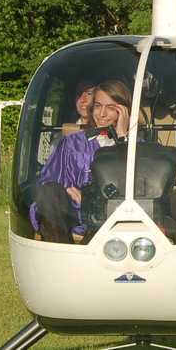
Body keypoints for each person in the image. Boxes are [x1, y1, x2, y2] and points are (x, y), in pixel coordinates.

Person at [31, 79, 131, 243]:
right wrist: (66, 191)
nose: (102, 114)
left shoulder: (137, 147)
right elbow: (48, 182)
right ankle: (62, 249)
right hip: (72, 215)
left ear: (124, 112)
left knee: (110, 212)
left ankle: (78, 255)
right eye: (98, 106)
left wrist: (122, 140)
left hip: (110, 219)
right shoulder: (72, 143)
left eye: (111, 107)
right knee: (48, 191)